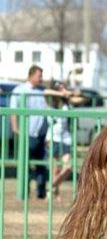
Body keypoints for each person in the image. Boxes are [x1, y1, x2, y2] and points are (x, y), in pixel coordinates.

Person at [10, 65, 70, 199]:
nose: (41, 78)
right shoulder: (19, 90)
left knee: (41, 165)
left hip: (42, 134)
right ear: (31, 75)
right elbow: (13, 112)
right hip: (27, 133)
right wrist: (15, 128)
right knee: (25, 163)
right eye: (39, 76)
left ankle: (41, 193)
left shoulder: (43, 90)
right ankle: (23, 192)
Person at [47, 80, 83, 200]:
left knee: (68, 166)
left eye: (64, 88)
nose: (63, 90)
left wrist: (73, 93)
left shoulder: (66, 102)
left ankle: (51, 187)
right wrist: (62, 93)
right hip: (52, 136)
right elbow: (46, 91)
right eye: (60, 88)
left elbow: (81, 99)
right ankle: (55, 193)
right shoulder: (50, 100)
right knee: (55, 168)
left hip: (66, 137)